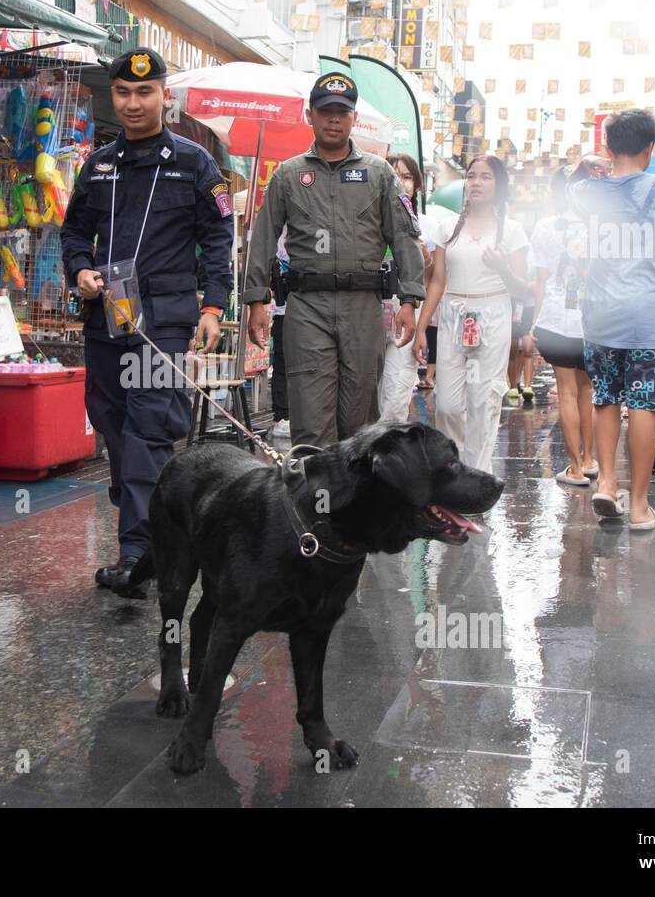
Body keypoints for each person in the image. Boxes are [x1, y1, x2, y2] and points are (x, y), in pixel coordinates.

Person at [60, 49, 233, 596]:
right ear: (113, 95)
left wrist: (213, 306)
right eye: (123, 93)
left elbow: (218, 239)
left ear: (165, 96)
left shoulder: (194, 163)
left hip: (163, 320)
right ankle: (155, 534)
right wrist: (81, 270)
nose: (133, 103)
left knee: (149, 430)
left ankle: (140, 553)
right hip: (106, 316)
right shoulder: (99, 164)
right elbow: (71, 233)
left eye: (145, 92)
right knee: (110, 421)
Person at [243, 72, 424, 448]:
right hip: (308, 307)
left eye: (342, 111)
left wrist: (409, 299)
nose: (334, 119)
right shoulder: (290, 174)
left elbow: (404, 237)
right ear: (311, 115)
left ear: (354, 118)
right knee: (310, 420)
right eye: (326, 111)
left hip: (364, 306)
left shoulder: (379, 174)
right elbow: (263, 238)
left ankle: (351, 505)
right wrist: (256, 300)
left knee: (359, 420)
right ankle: (316, 505)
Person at [571, 108, 655, 531]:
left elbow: (568, 188)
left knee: (606, 399)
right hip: (647, 316)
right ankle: (639, 506)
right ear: (650, 148)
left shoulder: (587, 193)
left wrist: (586, 167)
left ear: (608, 148)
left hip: (600, 315)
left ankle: (607, 484)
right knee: (646, 404)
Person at [413, 155, 529, 475]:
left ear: (499, 185)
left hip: (493, 315)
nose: (476, 182)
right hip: (453, 316)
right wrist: (423, 327)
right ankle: (455, 469)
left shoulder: (513, 231)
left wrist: (503, 268)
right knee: (448, 405)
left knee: (484, 402)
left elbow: (523, 289)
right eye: (472, 176)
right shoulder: (447, 228)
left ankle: (477, 476)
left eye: (486, 177)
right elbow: (437, 281)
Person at [524, 158, 609, 486]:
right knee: (588, 390)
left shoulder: (547, 226)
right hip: (595, 319)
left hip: (559, 320)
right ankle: (589, 460)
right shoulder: (602, 226)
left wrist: (533, 323)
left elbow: (541, 282)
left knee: (567, 391)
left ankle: (575, 467)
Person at [378, 153, 433, 421]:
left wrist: (422, 329)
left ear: (417, 185)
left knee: (396, 394)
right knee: (367, 395)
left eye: (407, 176)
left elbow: (433, 282)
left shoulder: (428, 225)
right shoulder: (368, 222)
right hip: (369, 315)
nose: (400, 181)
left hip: (407, 318)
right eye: (394, 174)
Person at [269, 236, 291, 439]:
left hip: (311, 308)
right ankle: (281, 417)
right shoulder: (276, 236)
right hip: (282, 311)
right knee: (282, 363)